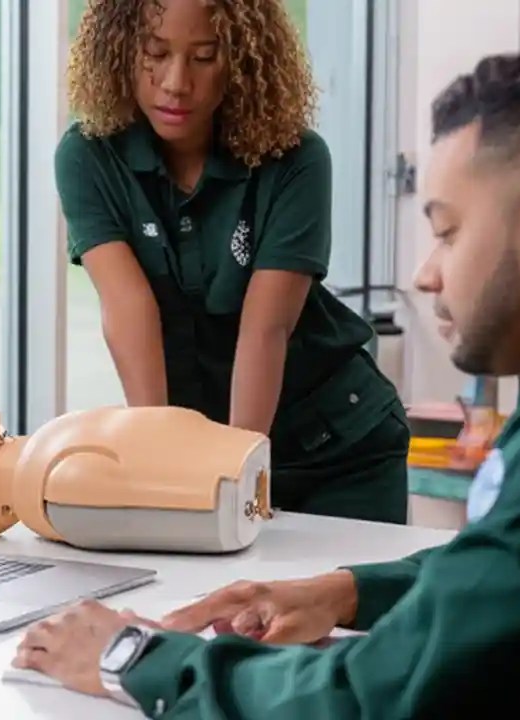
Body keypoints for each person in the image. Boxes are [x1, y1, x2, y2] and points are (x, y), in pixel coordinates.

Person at [13, 43, 520, 717]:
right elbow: (518, 567)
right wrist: (347, 593)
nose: (425, 273)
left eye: (446, 230)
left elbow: (383, 697)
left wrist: (133, 658)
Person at [57, 0, 408, 524]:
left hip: (341, 452)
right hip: (208, 455)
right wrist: (159, 469)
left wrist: (241, 481)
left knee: (335, 605)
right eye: (155, 53)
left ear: (241, 58)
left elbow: (266, 329)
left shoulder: (297, 159)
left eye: (204, 56)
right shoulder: (89, 156)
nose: (176, 82)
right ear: (120, 49)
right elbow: (130, 312)